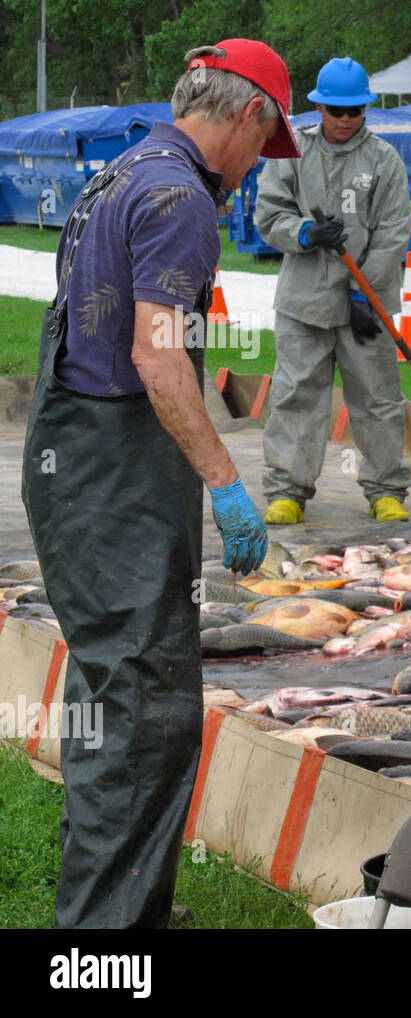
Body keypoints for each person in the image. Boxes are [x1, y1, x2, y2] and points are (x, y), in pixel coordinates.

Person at [20, 38, 291, 928]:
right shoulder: (181, 197)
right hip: (112, 477)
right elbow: (155, 352)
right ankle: (104, 948)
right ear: (249, 113)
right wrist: (224, 480)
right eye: (268, 144)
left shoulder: (128, 167)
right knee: (140, 718)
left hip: (77, 460)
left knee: (117, 704)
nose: (259, 169)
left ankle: (120, 908)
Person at [256, 56, 411, 524]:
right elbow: (269, 216)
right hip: (304, 302)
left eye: (355, 111)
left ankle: (386, 489)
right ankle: (287, 488)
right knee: (296, 394)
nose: (346, 120)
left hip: (367, 301)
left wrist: (366, 295)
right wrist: (305, 233)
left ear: (366, 109)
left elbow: (393, 231)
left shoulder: (384, 160)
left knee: (378, 396)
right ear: (320, 107)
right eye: (336, 111)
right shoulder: (291, 153)